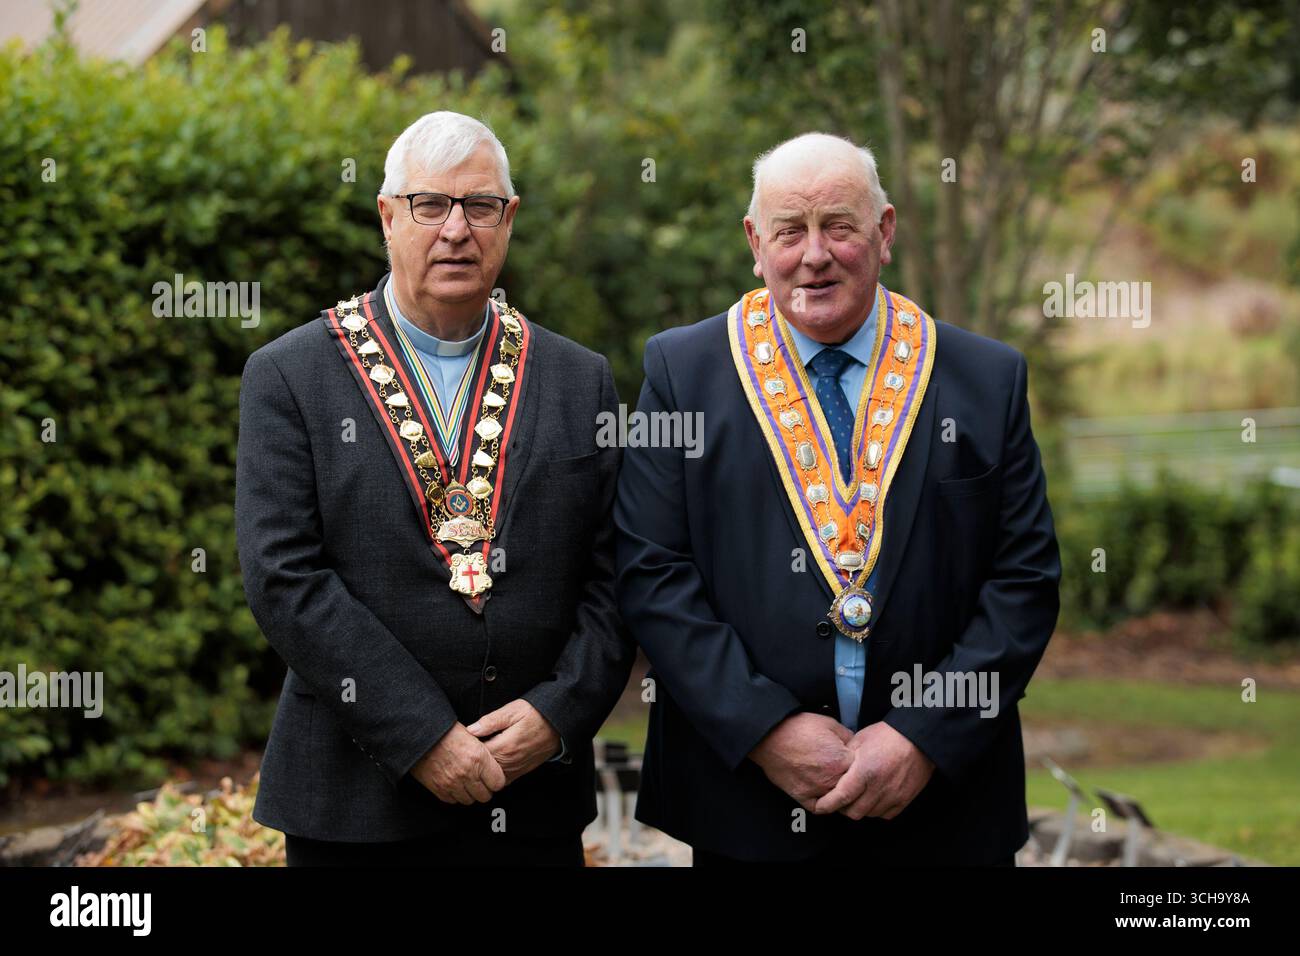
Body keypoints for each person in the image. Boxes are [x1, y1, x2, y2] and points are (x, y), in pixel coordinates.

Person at [615, 132, 1061, 865]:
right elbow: (652, 573)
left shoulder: (985, 379)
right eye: (790, 230)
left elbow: (1024, 583)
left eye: (839, 226)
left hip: (945, 808)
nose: (814, 254)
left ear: (884, 232)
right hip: (749, 811)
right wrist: (766, 729)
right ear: (756, 243)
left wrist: (922, 734)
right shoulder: (683, 373)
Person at [236, 111, 634, 866]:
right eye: (430, 205)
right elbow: (284, 578)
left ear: (508, 219)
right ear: (388, 217)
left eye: (480, 206)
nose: (457, 229)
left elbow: (616, 576)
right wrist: (421, 735)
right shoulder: (289, 376)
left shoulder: (581, 380)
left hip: (534, 804)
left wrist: (558, 714)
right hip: (353, 807)